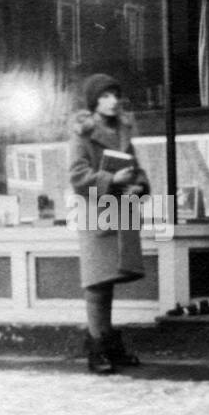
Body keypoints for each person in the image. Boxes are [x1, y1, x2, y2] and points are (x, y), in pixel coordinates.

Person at [68, 73, 150, 374]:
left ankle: (109, 346)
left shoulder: (123, 131)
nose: (113, 101)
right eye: (105, 96)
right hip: (96, 213)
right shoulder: (82, 134)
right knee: (96, 284)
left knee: (109, 281)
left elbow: (137, 169)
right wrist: (111, 179)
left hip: (121, 210)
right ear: (93, 103)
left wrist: (139, 186)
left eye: (115, 95)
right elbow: (77, 178)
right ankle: (97, 349)